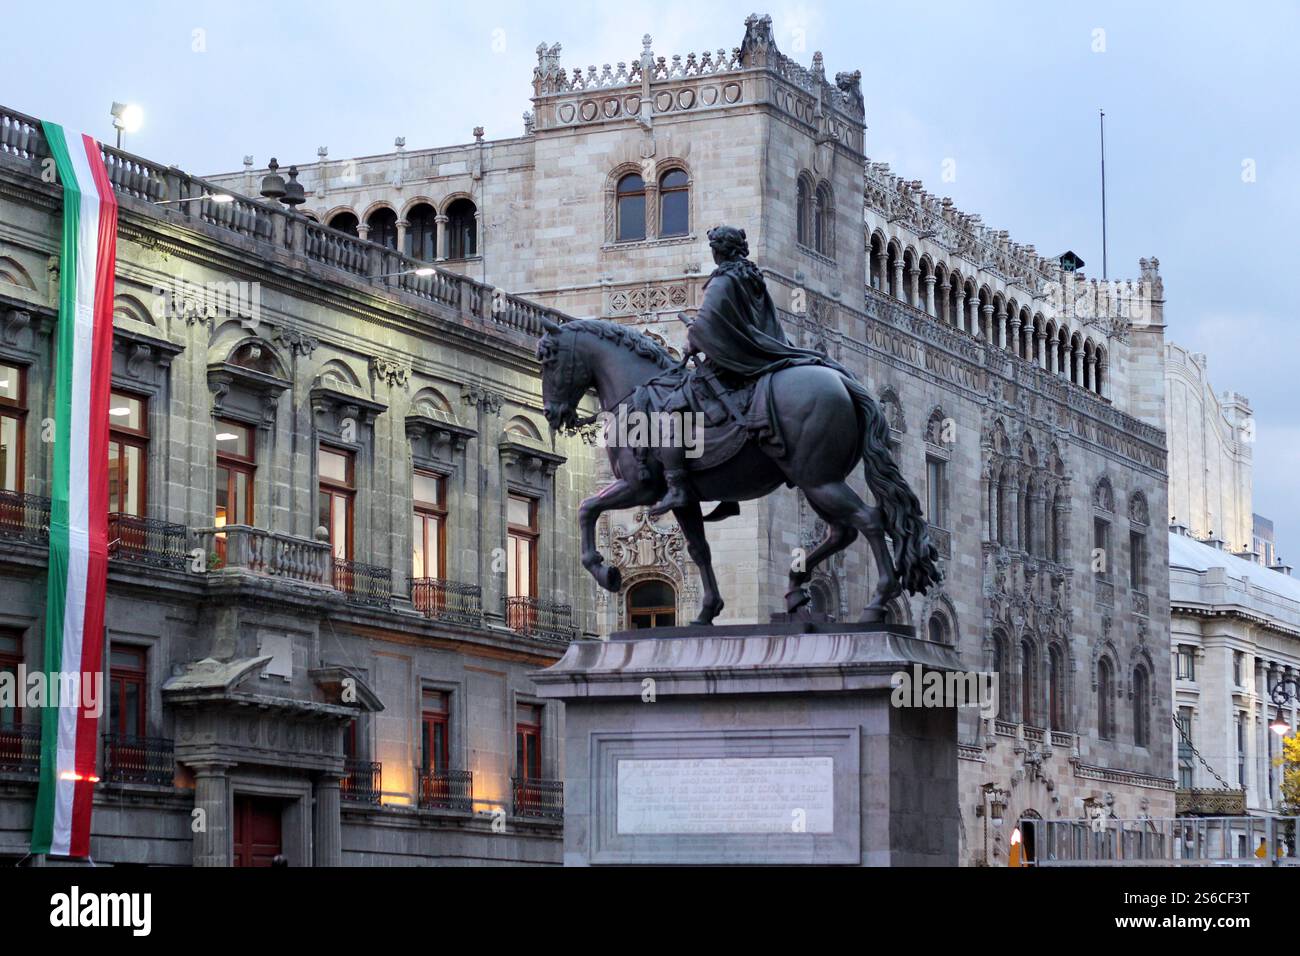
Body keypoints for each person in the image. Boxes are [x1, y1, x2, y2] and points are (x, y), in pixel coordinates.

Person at [648, 225, 834, 516]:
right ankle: (728, 493)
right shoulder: (750, 276)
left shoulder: (723, 281)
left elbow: (710, 321)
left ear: (719, 250)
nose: (712, 251)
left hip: (735, 361)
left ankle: (677, 487)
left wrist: (693, 342)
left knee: (675, 406)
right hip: (756, 356)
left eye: (713, 247)